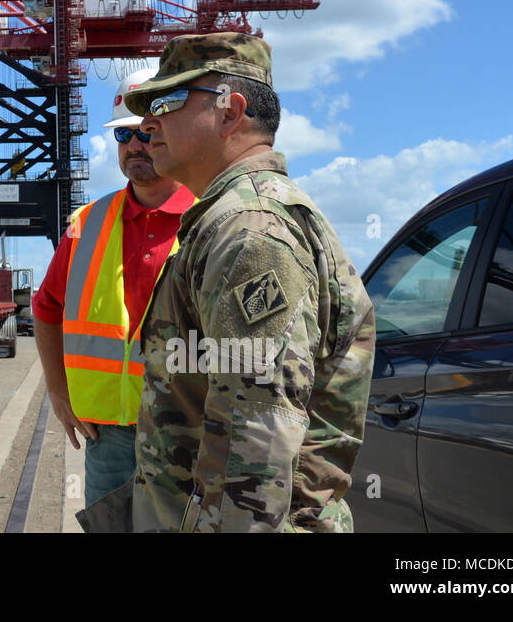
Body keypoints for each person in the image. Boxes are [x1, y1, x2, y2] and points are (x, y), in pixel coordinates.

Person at [121, 32, 375, 532]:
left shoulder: (250, 231)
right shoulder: (228, 220)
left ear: (231, 112)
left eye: (167, 102)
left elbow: (254, 435)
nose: (147, 125)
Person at [32, 69, 195, 517]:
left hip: (188, 428)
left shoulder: (210, 220)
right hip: (109, 432)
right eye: (125, 134)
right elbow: (46, 306)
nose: (135, 145)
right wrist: (58, 392)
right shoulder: (86, 223)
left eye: (147, 132)